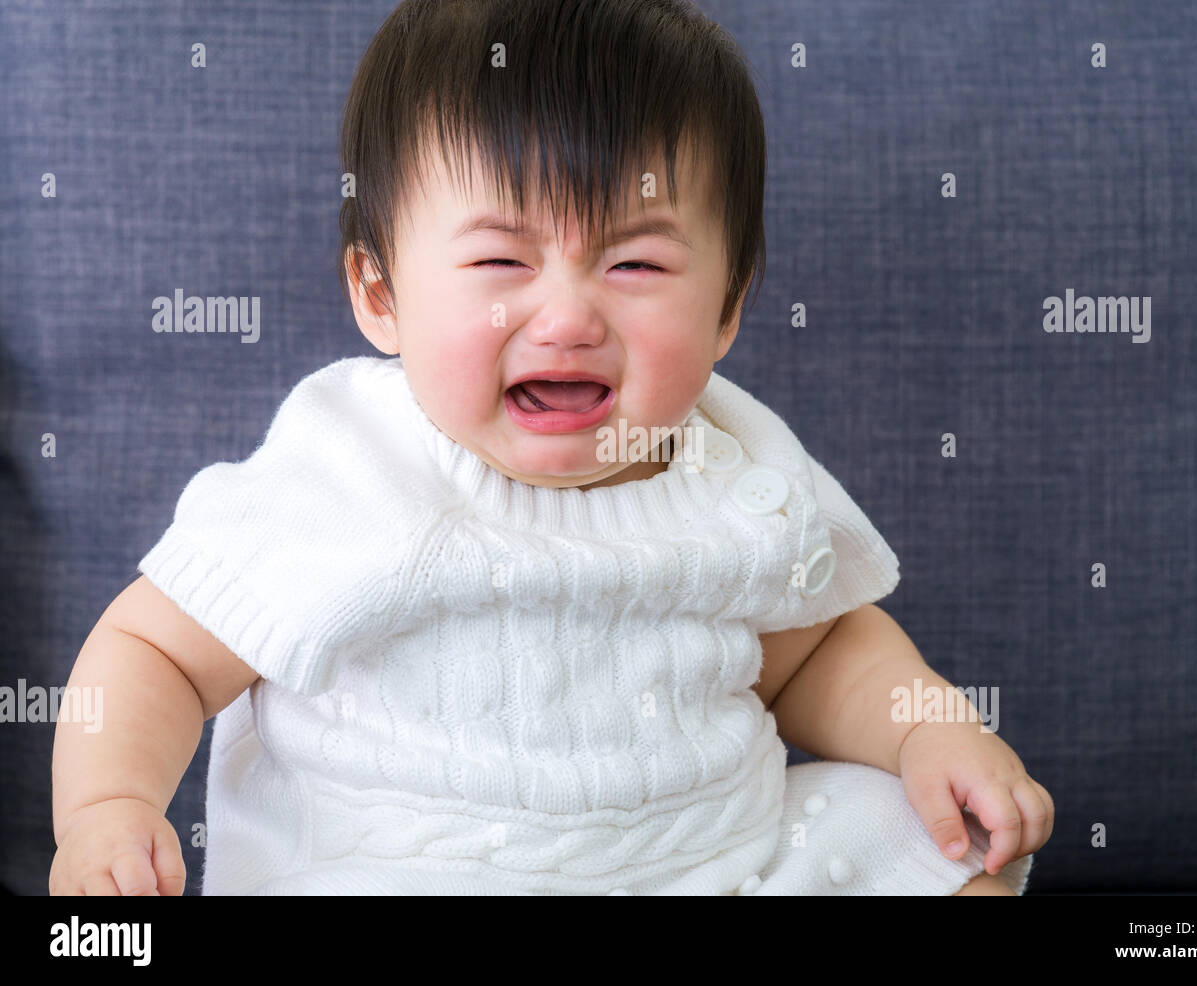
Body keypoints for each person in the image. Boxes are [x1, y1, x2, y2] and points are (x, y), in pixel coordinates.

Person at [49, 0, 1052, 896]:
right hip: (399, 863)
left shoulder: (736, 473)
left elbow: (818, 649)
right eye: (499, 258)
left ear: (729, 309)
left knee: (944, 839)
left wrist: (924, 728)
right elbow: (155, 653)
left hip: (712, 858)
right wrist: (105, 808)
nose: (567, 315)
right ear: (381, 293)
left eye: (635, 260)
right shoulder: (347, 474)